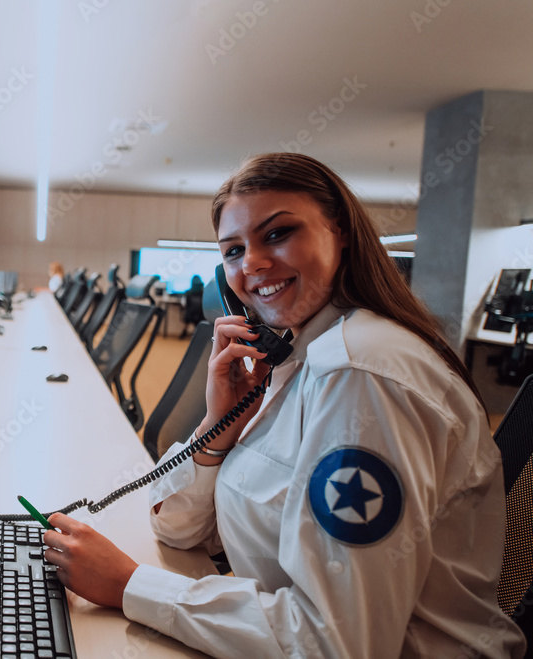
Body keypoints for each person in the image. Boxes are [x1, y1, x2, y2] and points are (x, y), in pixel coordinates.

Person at [42, 153, 525, 657]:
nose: (250, 263)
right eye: (232, 251)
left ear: (339, 232)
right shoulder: (298, 359)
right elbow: (177, 529)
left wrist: (130, 586)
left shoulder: (360, 375)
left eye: (276, 234)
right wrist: (218, 429)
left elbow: (337, 642)